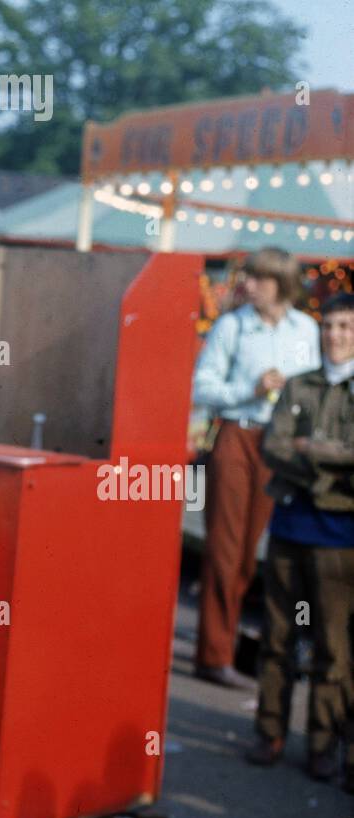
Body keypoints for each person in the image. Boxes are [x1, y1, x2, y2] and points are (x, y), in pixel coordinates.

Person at [191, 247, 321, 687]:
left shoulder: (306, 329)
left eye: (259, 278)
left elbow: (316, 387)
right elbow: (202, 386)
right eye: (249, 277)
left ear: (280, 284)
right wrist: (250, 387)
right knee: (224, 548)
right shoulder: (232, 325)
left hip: (282, 443)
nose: (248, 285)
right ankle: (214, 654)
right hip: (237, 434)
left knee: (253, 551)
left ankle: (237, 646)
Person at [249, 291, 354, 790]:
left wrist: (310, 449)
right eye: (329, 326)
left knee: (333, 647)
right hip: (290, 527)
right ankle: (269, 731)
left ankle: (321, 742)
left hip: (339, 537)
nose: (335, 335)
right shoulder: (298, 385)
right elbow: (272, 446)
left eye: (345, 327)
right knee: (277, 637)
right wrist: (330, 463)